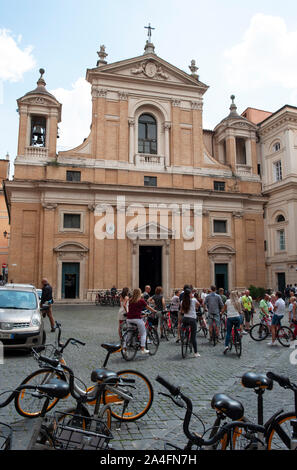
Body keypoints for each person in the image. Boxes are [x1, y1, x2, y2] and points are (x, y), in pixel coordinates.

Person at [123, 288, 156, 355]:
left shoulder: (130, 300)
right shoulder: (141, 301)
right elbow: (148, 307)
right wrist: (154, 311)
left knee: (129, 333)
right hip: (137, 319)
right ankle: (143, 349)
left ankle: (124, 348)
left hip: (129, 319)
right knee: (143, 333)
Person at [180, 287, 201, 357]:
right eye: (191, 293)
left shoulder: (182, 301)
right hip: (192, 319)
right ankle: (196, 353)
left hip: (185, 318)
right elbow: (199, 305)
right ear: (189, 294)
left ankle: (184, 335)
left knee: (185, 326)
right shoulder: (194, 300)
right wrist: (195, 308)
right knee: (193, 336)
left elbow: (182, 311)